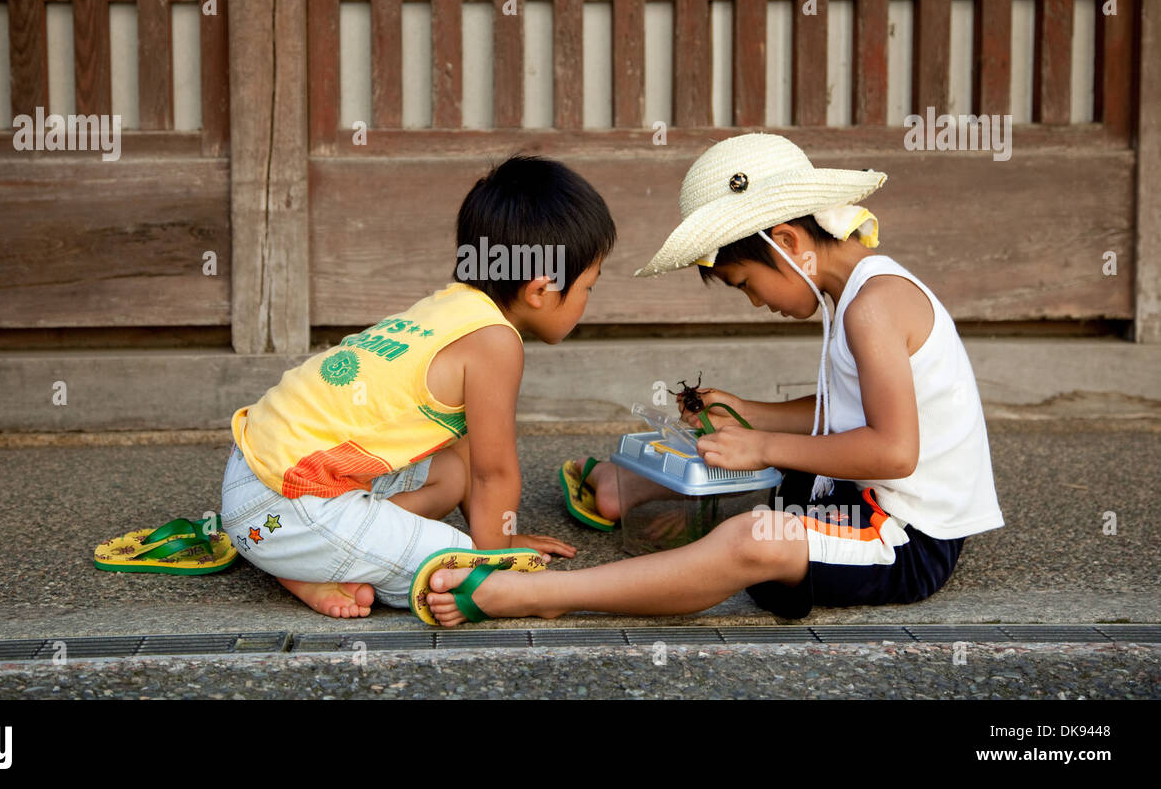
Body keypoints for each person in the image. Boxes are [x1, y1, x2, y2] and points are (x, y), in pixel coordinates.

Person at [420, 133, 1004, 626]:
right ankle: (629, 488)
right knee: (735, 450)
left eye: (745, 283)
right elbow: (843, 417)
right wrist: (748, 413)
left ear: (791, 244)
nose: (753, 302)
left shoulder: (870, 308)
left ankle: (541, 595)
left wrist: (766, 443)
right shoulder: (859, 294)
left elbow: (895, 451)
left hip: (902, 536)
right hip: (854, 497)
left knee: (752, 537)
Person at [222, 155, 616, 617]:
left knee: (450, 473)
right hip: (282, 510)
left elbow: (468, 457)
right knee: (458, 568)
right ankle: (305, 563)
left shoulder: (451, 307)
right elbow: (496, 473)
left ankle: (317, 561)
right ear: (540, 289)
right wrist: (495, 564)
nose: (588, 299)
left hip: (256, 480)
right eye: (589, 286)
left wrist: (500, 536)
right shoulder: (496, 344)